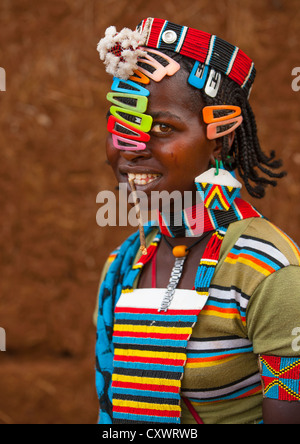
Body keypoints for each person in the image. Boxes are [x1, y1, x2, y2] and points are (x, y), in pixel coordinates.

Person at [95, 18, 300, 424]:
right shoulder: (124, 265)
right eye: (124, 125)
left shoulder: (271, 273)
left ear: (220, 138)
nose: (132, 149)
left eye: (164, 127)